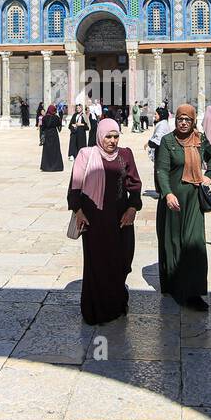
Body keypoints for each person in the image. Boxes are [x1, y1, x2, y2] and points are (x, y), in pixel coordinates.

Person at [68, 118, 143, 324]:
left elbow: (134, 184)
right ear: (100, 136)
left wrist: (132, 208)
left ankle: (117, 303)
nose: (112, 141)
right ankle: (96, 310)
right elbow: (75, 186)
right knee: (97, 262)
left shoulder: (125, 155)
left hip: (119, 218)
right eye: (108, 136)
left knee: (121, 259)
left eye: (115, 136)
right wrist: (78, 211)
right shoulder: (86, 155)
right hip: (93, 220)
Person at [154, 103, 211, 310]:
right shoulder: (167, 141)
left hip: (193, 200)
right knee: (173, 242)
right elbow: (162, 171)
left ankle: (194, 292)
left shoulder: (200, 140)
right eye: (180, 119)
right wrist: (168, 193)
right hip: (173, 202)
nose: (183, 123)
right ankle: (175, 286)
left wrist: (209, 176)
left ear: (193, 121)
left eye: (187, 120)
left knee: (194, 243)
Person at [40, 103, 64, 171]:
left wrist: (41, 137)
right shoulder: (56, 117)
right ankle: (56, 166)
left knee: (47, 151)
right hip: (54, 135)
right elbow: (59, 126)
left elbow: (42, 128)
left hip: (47, 135)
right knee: (55, 150)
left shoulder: (44, 118)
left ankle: (47, 167)